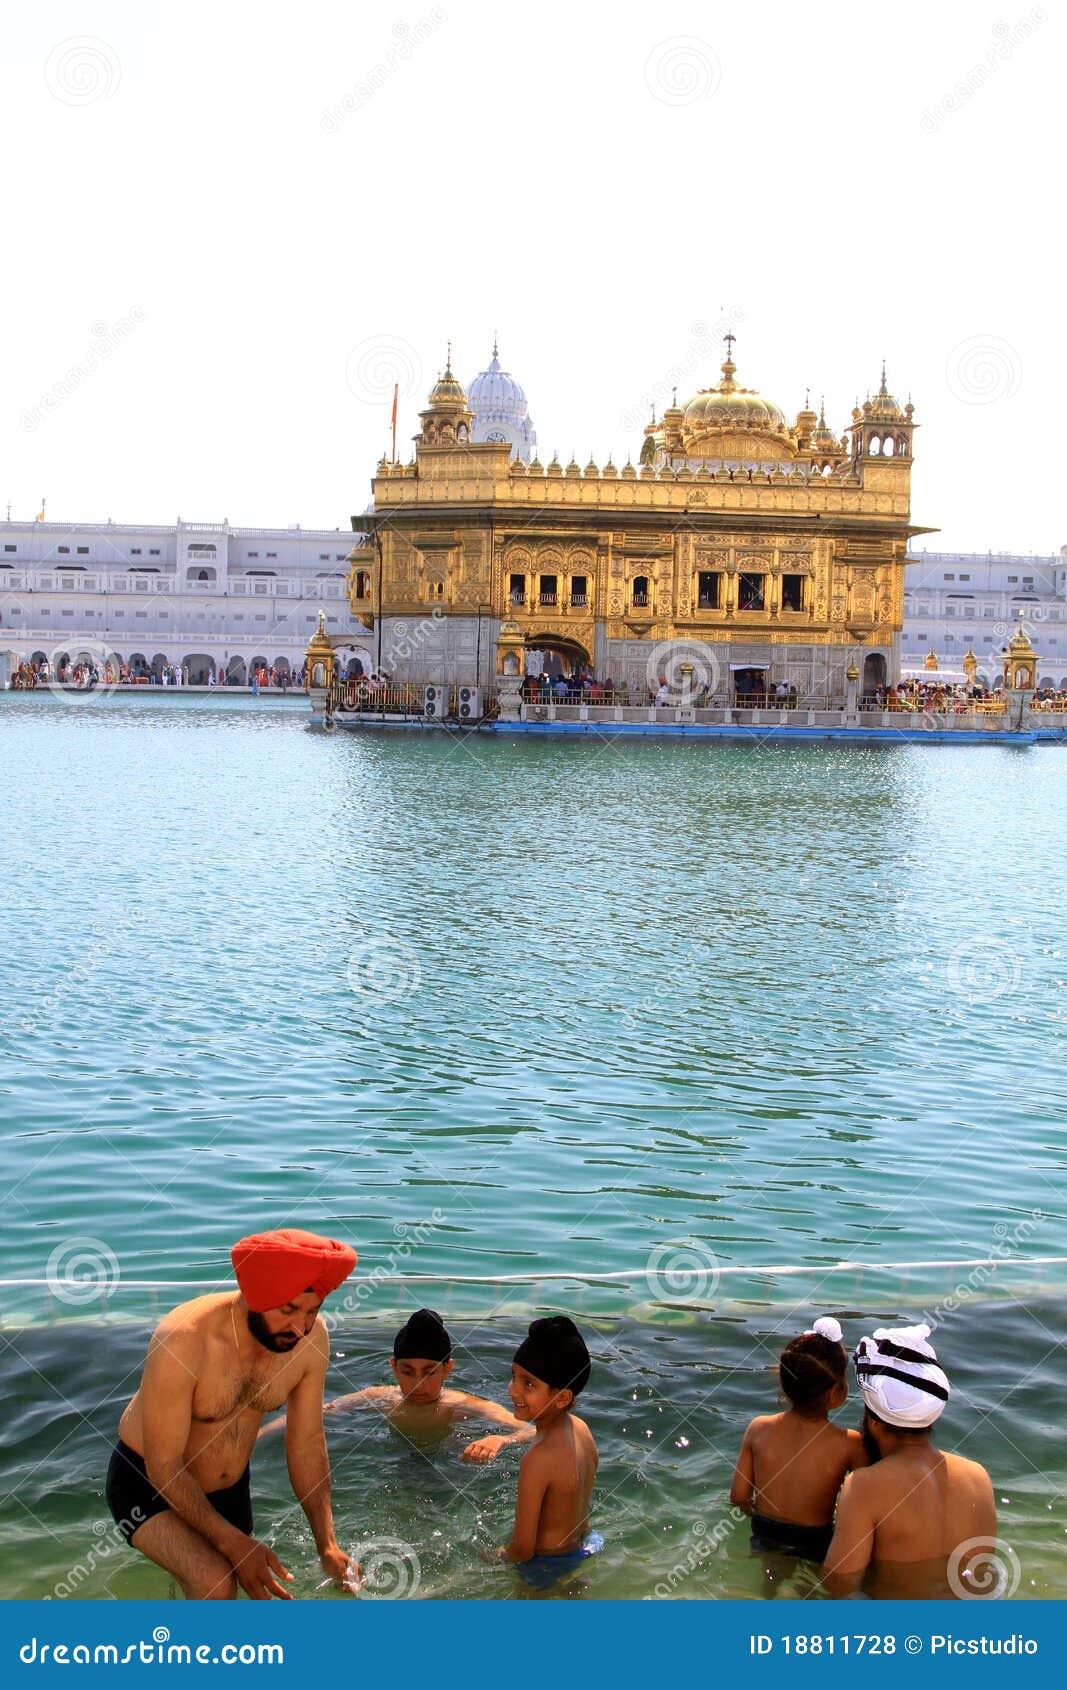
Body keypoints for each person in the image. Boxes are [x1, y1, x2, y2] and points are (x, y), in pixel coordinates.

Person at [105, 1227, 358, 1600]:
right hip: (148, 1482)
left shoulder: (309, 1341)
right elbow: (163, 1464)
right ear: (256, 1296)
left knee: (231, 1589)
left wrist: (328, 1544)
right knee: (215, 1583)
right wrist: (234, 1544)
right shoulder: (184, 1338)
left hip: (230, 1489)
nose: (299, 1327)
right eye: (288, 1309)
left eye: (312, 1310)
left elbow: (306, 1443)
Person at [822, 1324, 997, 1599]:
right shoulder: (978, 1477)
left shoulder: (864, 1485)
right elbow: (983, 1579)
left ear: (874, 1422)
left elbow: (838, 1583)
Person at [260, 1308, 533, 1461]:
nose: (417, 1384)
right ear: (393, 1367)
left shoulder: (463, 1405)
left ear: (448, 1369)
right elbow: (318, 1412)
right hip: (393, 1461)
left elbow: (530, 1430)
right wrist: (257, 1438)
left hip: (450, 1462)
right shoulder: (380, 1398)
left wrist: (500, 1439)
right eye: (407, 1371)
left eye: (429, 1372)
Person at [730, 1316, 867, 1564]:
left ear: (784, 1382)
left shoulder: (758, 1428)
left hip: (764, 1530)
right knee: (813, 1594)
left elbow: (738, 1497)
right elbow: (865, 1503)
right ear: (836, 1390)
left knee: (767, 1588)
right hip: (815, 1539)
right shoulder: (851, 1444)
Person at [486, 1316, 601, 1589]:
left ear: (562, 1397)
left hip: (543, 1566)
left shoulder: (537, 1458)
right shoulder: (582, 1430)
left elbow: (523, 1549)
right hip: (583, 1546)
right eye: (513, 1376)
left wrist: (494, 1557)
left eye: (528, 1384)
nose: (513, 1389)